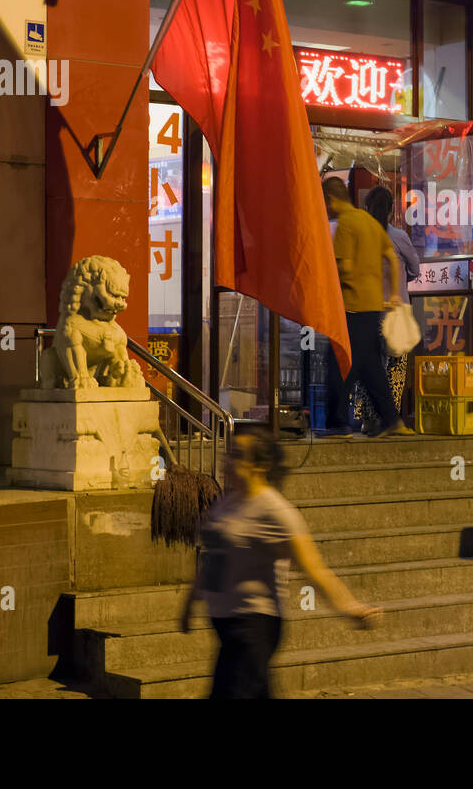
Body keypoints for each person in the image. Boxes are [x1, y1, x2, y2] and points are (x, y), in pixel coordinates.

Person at [180, 431, 381, 698]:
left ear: (259, 466)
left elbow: (313, 568)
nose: (228, 461)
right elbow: (212, 559)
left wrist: (351, 608)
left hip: (253, 625)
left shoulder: (275, 511)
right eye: (229, 454)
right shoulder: (226, 504)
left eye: (238, 455)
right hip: (226, 625)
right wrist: (190, 603)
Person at [320, 176, 413, 437]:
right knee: (370, 367)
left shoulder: (347, 224)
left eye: (323, 202)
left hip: (352, 307)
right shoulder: (370, 223)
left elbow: (344, 267)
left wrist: (325, 285)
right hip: (372, 306)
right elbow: (393, 260)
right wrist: (394, 293)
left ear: (330, 200)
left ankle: (338, 424)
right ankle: (392, 421)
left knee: (339, 364)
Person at [353, 185, 421, 432]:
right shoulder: (399, 236)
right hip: (395, 313)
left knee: (369, 366)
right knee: (396, 366)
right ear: (391, 211)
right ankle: (390, 417)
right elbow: (415, 269)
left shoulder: (360, 236)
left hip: (367, 311)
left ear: (366, 209)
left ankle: (367, 418)